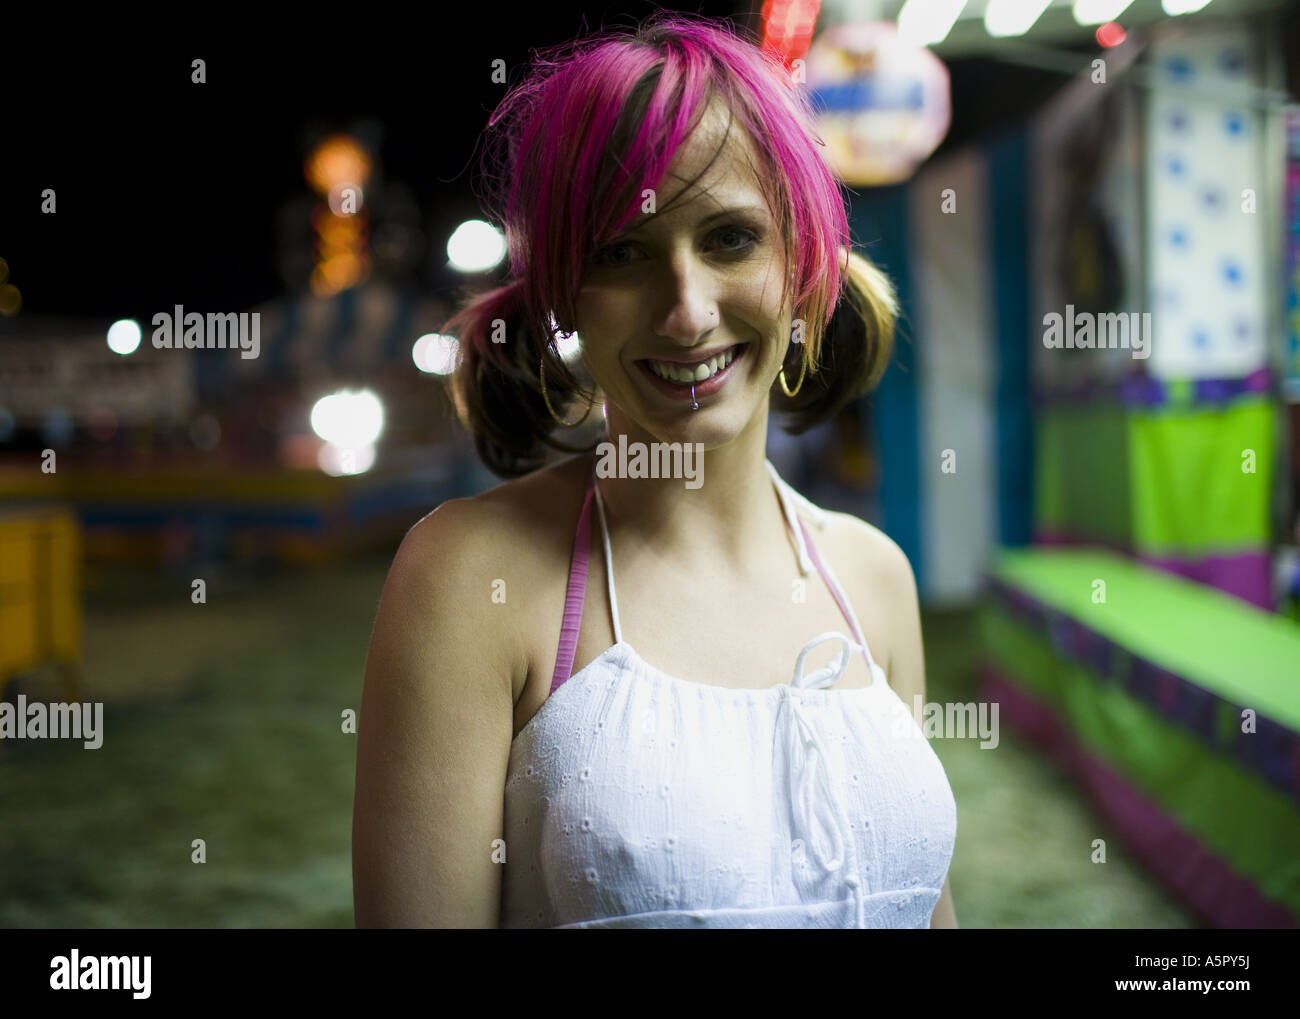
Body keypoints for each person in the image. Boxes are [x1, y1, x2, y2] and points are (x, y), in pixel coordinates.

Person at [352, 12, 958, 929]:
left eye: (729, 239)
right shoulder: (471, 578)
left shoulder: (872, 577)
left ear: (802, 263)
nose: (685, 310)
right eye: (622, 253)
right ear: (562, 293)